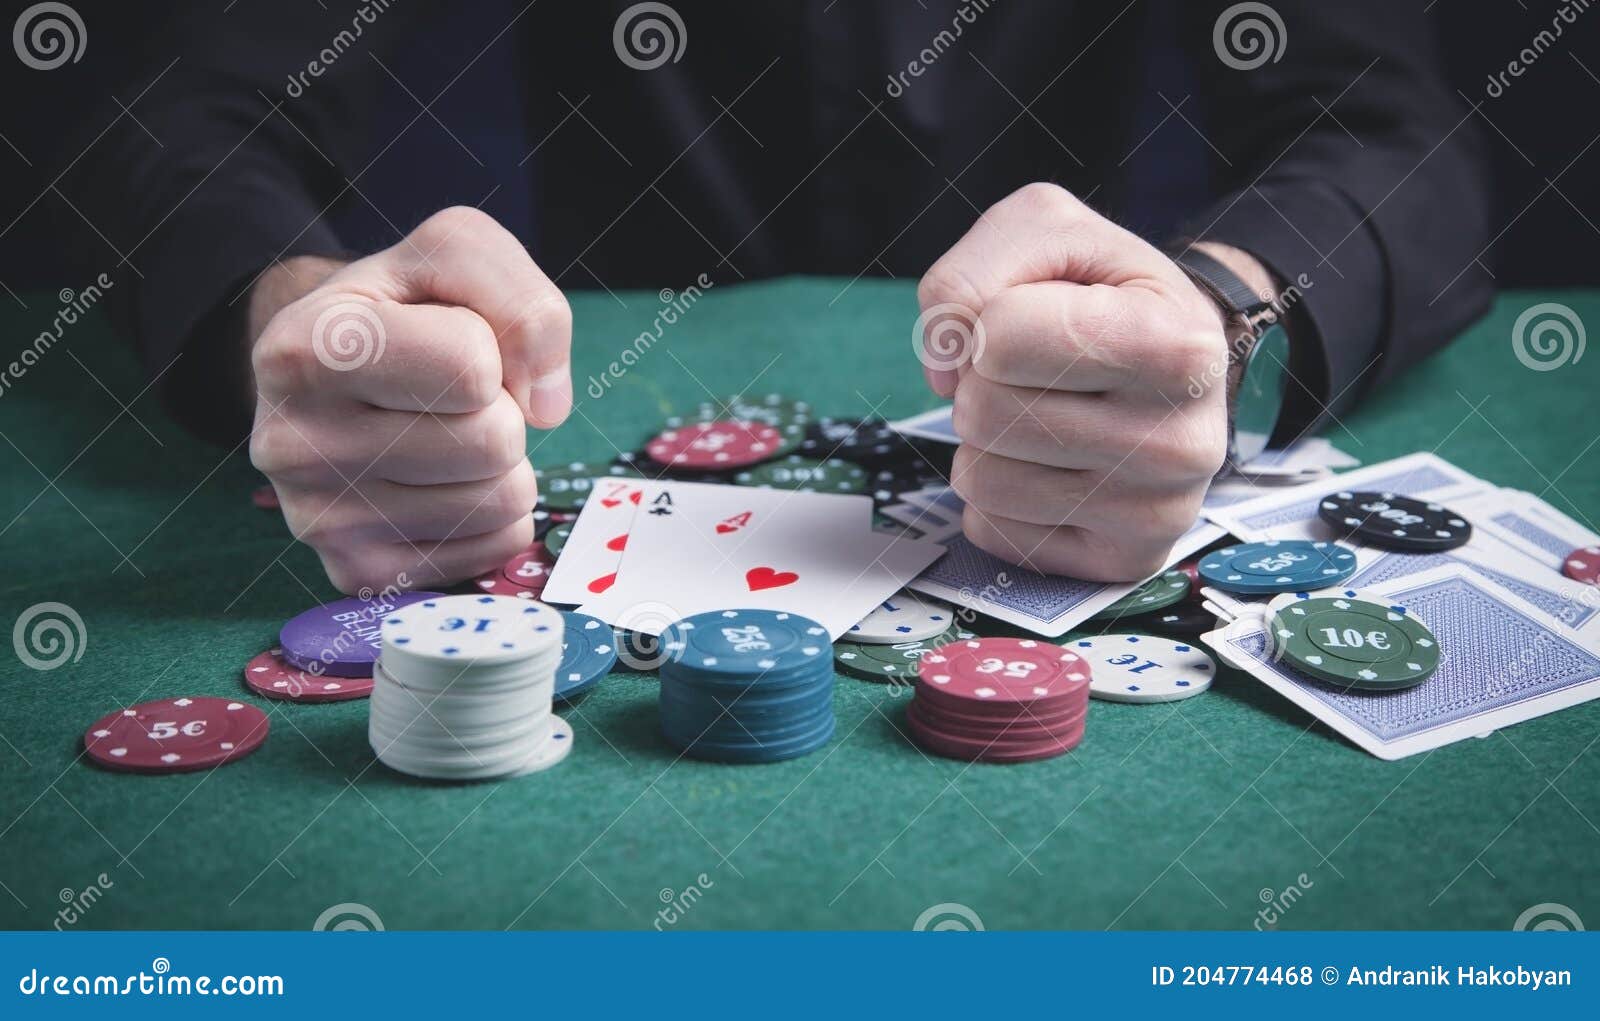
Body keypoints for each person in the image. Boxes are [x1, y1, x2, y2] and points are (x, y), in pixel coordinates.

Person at [89, 2, 1492, 593]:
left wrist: (1214, 311)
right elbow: (189, 106)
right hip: (601, 387)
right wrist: (304, 302)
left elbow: (1395, 133)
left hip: (1050, 420)